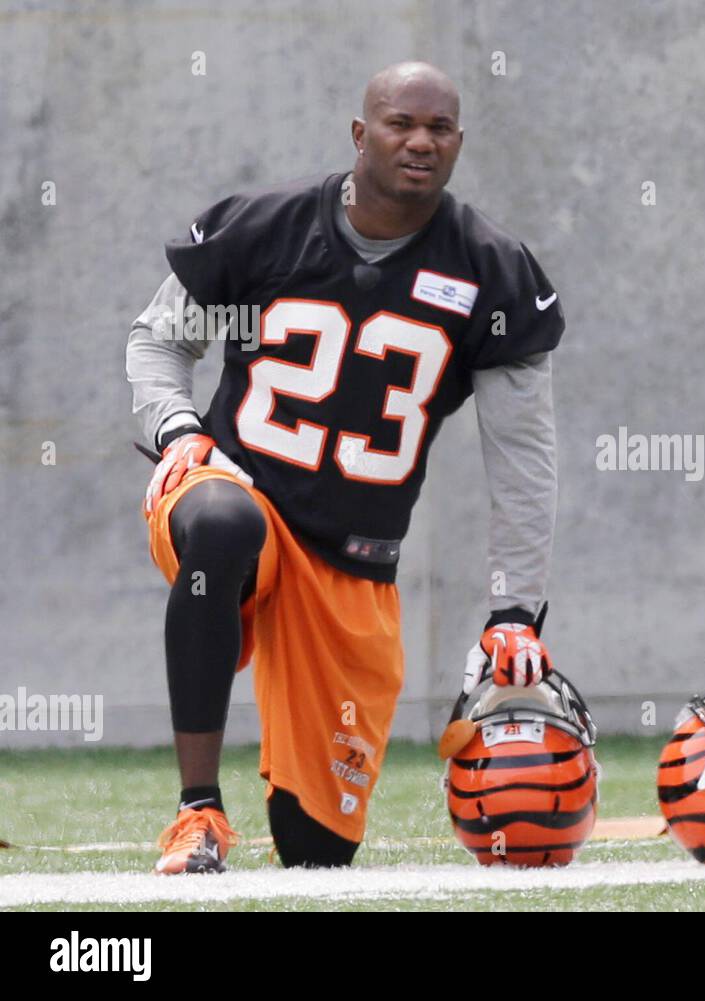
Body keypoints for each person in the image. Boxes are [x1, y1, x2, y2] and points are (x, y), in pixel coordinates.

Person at [125, 61, 564, 872]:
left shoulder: (490, 272)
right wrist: (178, 428)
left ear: (459, 142)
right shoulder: (267, 230)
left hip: (352, 562)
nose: (420, 142)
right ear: (361, 134)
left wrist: (516, 608)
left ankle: (293, 813)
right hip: (236, 490)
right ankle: (198, 813)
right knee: (220, 525)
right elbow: (159, 339)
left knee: (317, 850)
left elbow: (524, 460)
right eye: (401, 123)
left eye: (439, 129)